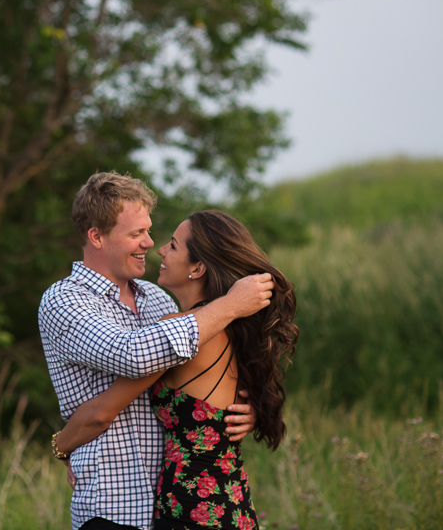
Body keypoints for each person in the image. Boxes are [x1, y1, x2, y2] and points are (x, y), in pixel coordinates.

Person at [39, 172, 275, 530]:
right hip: (114, 506)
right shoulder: (65, 301)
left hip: (174, 505)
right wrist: (231, 305)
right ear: (97, 236)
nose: (150, 243)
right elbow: (134, 356)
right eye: (136, 233)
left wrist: (244, 408)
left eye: (149, 230)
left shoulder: (157, 299)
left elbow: (201, 378)